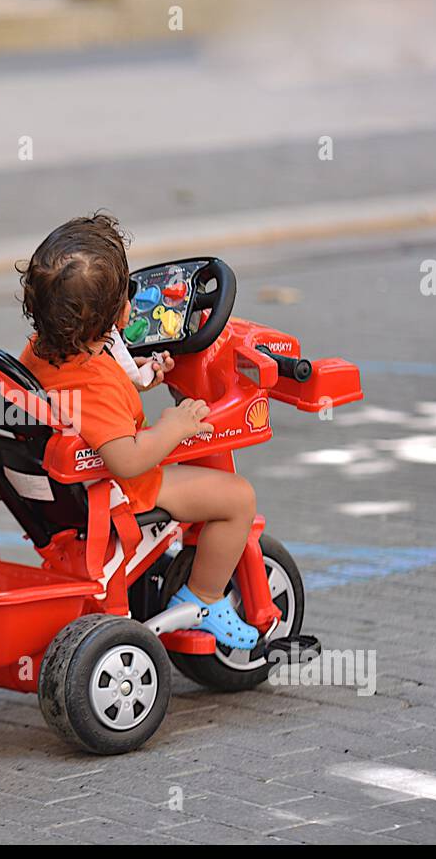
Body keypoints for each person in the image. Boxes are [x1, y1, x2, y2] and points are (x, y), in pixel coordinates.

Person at [18, 214, 259, 649]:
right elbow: (127, 459)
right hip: (121, 489)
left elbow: (87, 396)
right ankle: (204, 599)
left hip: (64, 491)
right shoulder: (96, 384)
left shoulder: (39, 352)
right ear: (121, 314)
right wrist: (173, 427)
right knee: (237, 497)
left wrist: (141, 374)